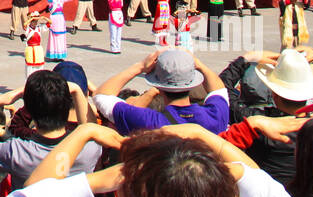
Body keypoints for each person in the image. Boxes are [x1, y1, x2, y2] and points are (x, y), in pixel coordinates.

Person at [93, 49, 230, 134]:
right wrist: (197, 63)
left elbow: (101, 95)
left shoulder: (146, 121)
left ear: (158, 86)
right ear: (193, 81)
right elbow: (219, 89)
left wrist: (140, 67)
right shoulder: (214, 116)